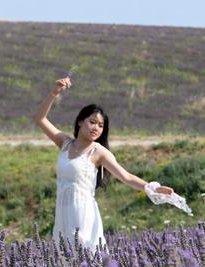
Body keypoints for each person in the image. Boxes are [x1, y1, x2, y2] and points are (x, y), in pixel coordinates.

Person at [32, 75, 176, 253]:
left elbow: (126, 176)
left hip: (83, 214)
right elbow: (40, 119)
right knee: (63, 264)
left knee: (86, 259)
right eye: (92, 122)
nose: (96, 128)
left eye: (100, 125)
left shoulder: (99, 152)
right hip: (62, 213)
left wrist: (151, 187)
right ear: (80, 122)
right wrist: (54, 93)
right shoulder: (65, 143)